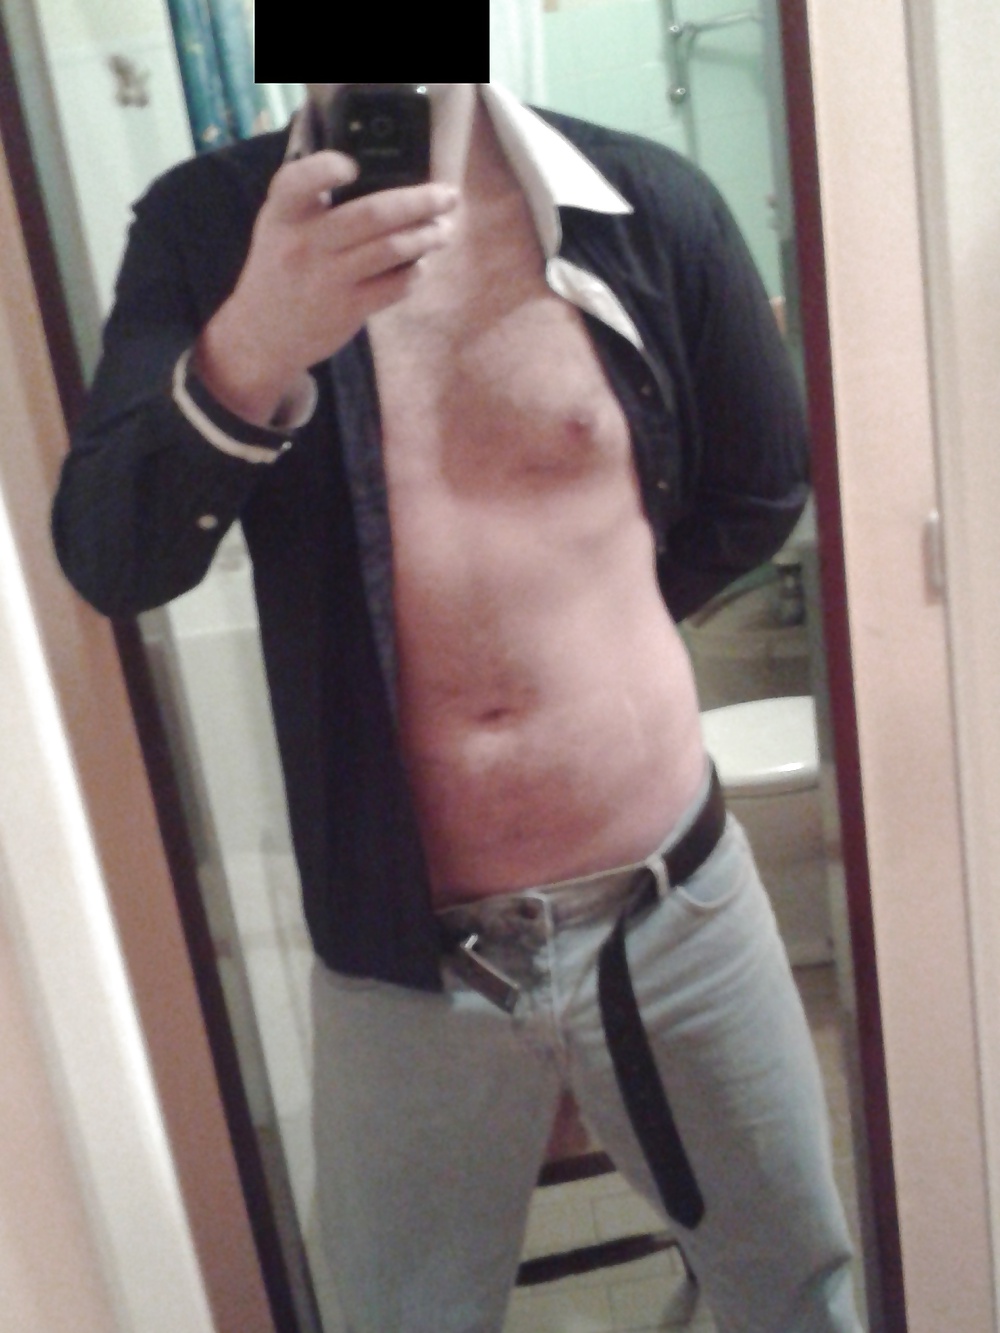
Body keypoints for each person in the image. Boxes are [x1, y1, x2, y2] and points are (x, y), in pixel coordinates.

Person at [53, 82, 861, 1333]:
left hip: (676, 906)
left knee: (797, 1292)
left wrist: (590, 637)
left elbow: (761, 485)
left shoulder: (644, 203)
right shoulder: (208, 228)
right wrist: (252, 346)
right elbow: (112, 558)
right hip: (402, 960)